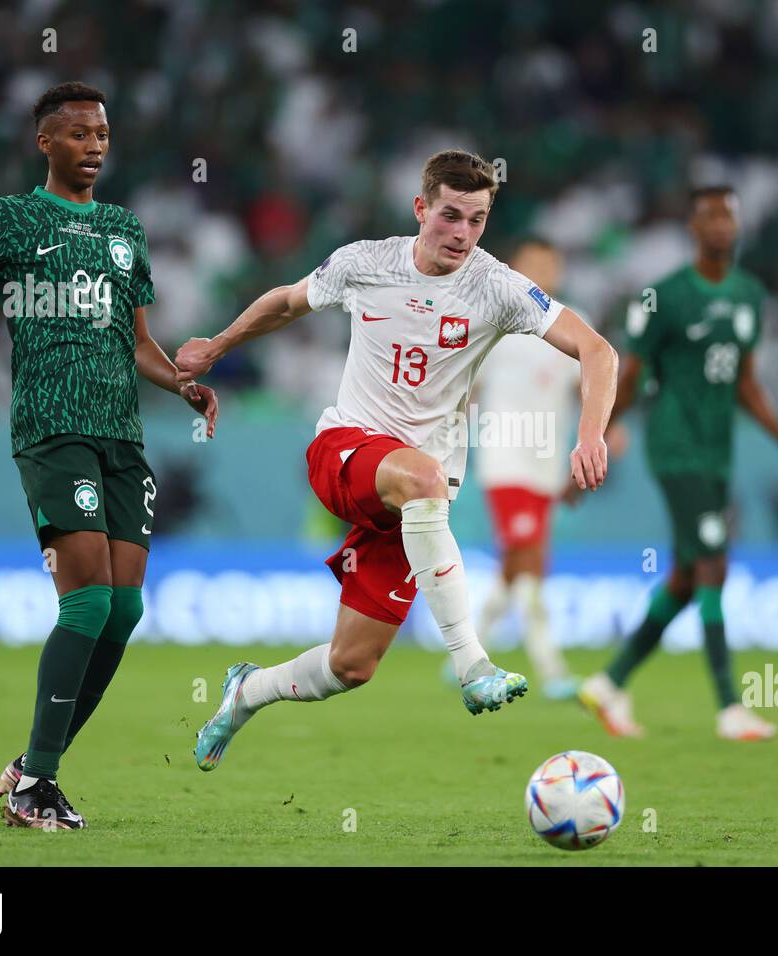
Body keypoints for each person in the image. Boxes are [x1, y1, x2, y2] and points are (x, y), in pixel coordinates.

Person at [175, 149, 617, 772]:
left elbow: (598, 351)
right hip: (347, 451)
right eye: (450, 216)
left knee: (351, 665)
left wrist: (591, 433)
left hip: (413, 501)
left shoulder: (497, 287)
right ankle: (472, 663)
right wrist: (218, 345)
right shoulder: (365, 262)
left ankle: (246, 692)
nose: (462, 233)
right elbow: (286, 302)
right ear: (421, 208)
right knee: (424, 476)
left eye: (477, 219)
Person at [0, 82, 219, 829]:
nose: (94, 145)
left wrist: (182, 386)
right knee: (89, 599)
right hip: (52, 428)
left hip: (122, 437)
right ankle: (39, 782)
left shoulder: (124, 229)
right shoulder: (11, 219)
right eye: (78, 134)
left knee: (126, 608)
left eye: (102, 133)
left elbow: (139, 345)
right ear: (46, 143)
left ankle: (30, 768)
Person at [577, 186, 778, 742]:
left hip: (717, 448)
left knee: (684, 576)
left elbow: (745, 380)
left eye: (729, 214)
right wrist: (599, 434)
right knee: (712, 567)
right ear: (693, 228)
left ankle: (609, 682)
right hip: (675, 446)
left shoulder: (751, 295)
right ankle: (731, 708)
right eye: (709, 216)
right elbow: (631, 374)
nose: (721, 225)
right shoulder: (665, 297)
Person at [457, 237, 582, 699]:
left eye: (549, 265)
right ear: (516, 268)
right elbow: (466, 384)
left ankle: (467, 651)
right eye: (533, 264)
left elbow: (583, 384)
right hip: (505, 459)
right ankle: (551, 667)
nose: (541, 272)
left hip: (546, 466)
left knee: (515, 563)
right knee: (531, 563)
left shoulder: (567, 326)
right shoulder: (497, 324)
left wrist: (602, 428)